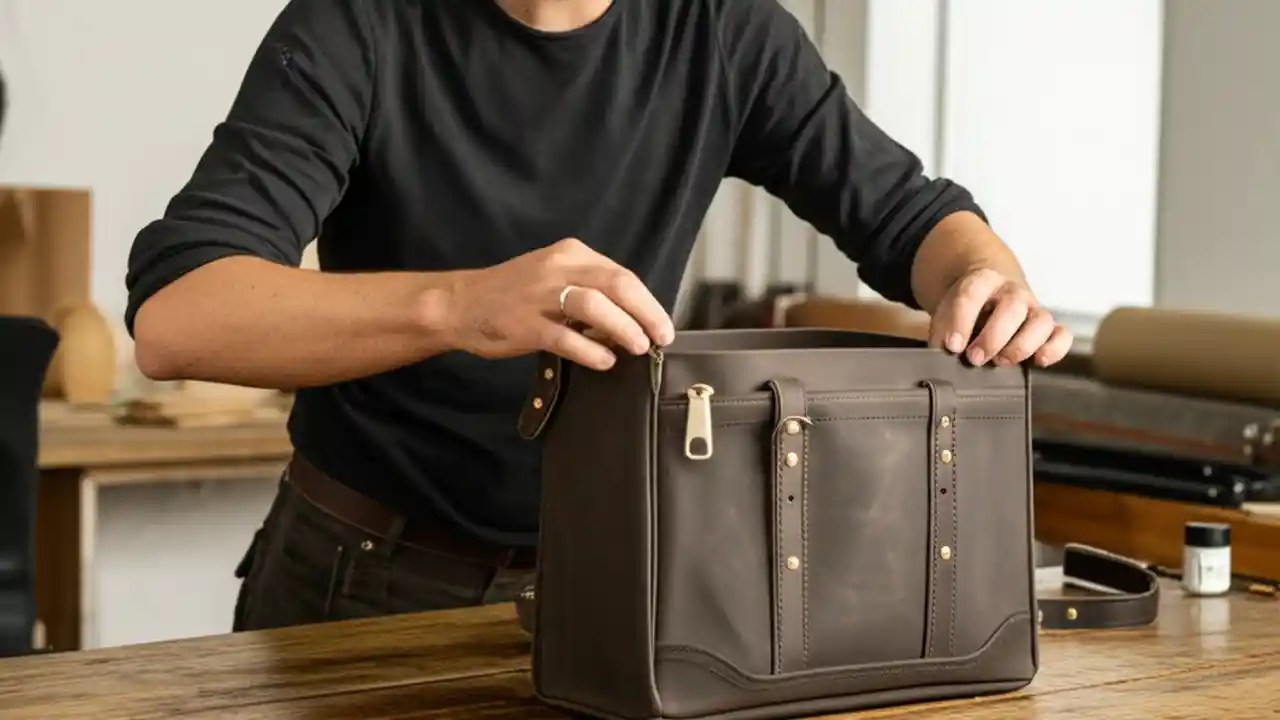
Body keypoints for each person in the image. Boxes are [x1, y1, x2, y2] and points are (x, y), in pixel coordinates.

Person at [125, 0, 1072, 632]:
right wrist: (461, 303)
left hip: (615, 586)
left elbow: (910, 215)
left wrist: (983, 272)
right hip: (358, 580)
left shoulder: (722, 29)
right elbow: (180, 315)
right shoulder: (359, 23)